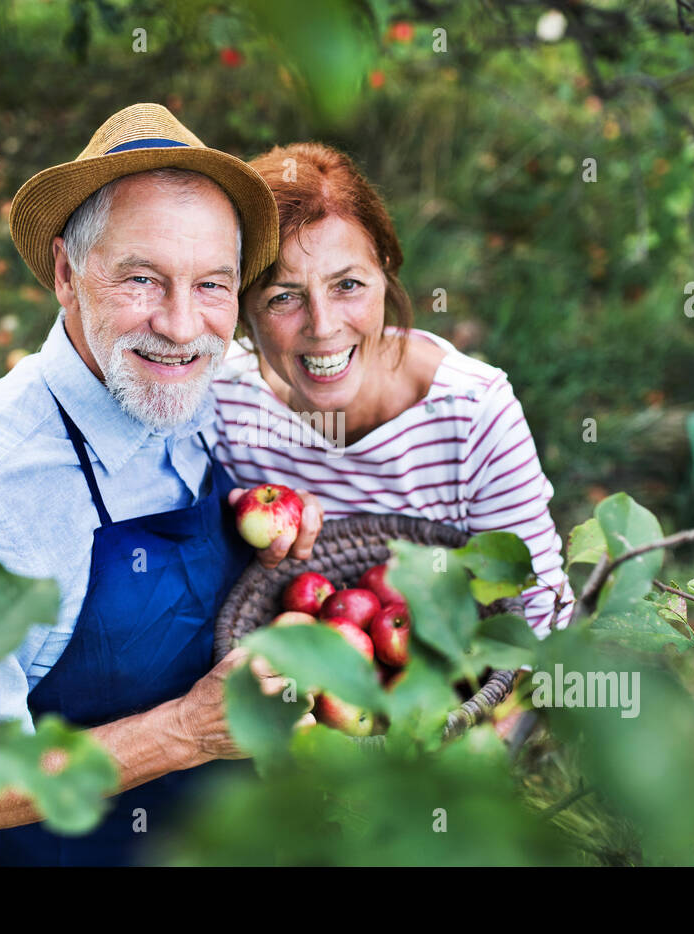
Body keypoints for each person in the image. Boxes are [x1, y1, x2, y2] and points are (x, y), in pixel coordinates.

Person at [0, 104, 322, 866]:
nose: (182, 327)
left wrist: (269, 528)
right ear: (65, 273)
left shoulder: (210, 388)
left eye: (212, 284)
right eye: (142, 279)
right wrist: (185, 732)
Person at [213, 142, 575, 637]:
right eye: (283, 297)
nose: (322, 327)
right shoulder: (225, 400)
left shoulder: (473, 416)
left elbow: (538, 614)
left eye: (347, 286)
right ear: (243, 307)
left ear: (383, 268)